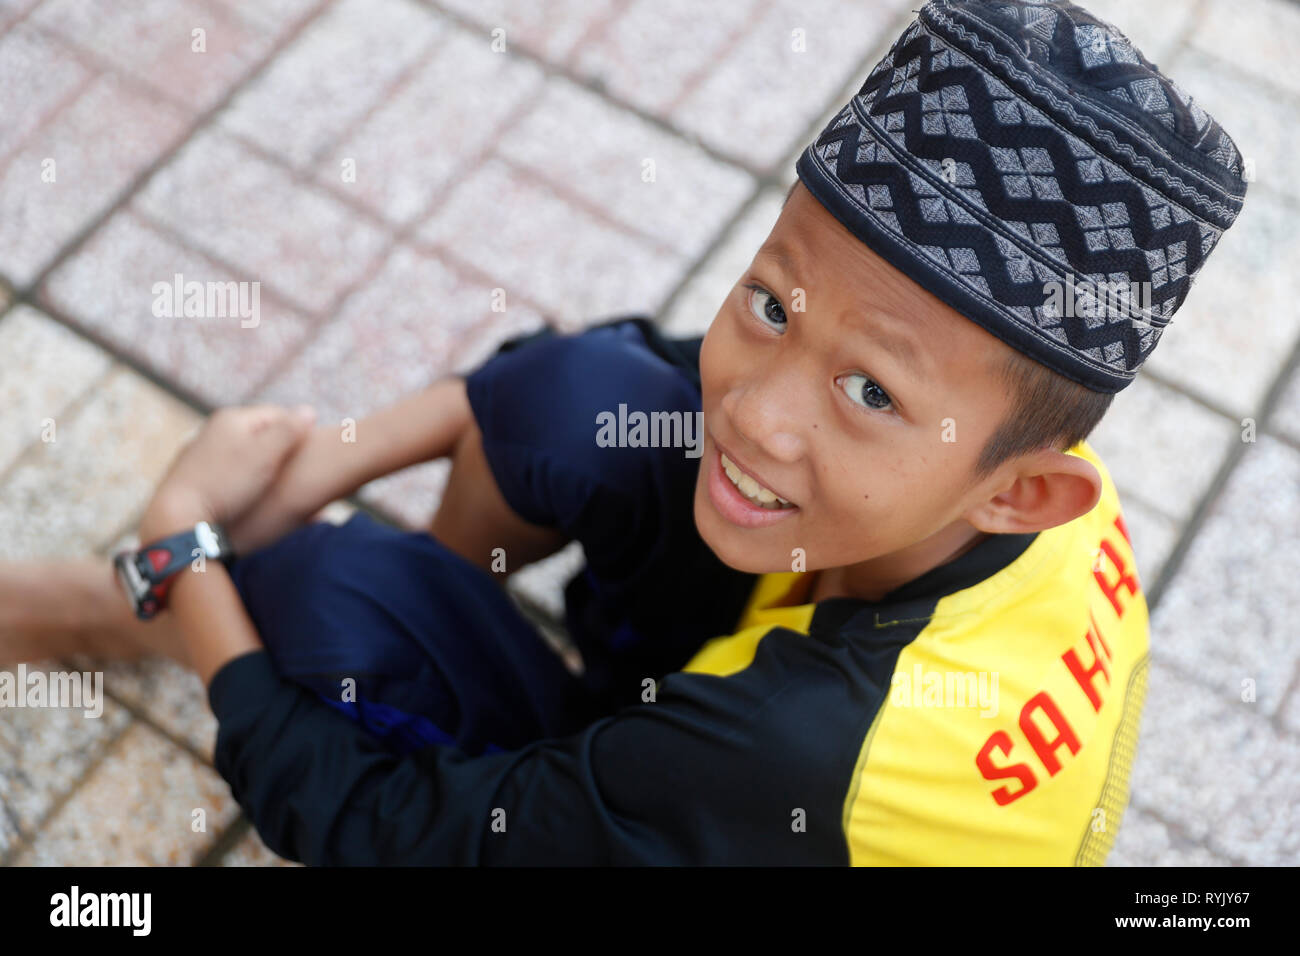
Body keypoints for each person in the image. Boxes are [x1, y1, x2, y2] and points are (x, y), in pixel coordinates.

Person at [1, 0, 1248, 864]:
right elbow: (612, 374)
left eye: (869, 392)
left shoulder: (791, 752)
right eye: (769, 302)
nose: (755, 408)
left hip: (742, 812)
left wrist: (179, 550)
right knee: (588, 402)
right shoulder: (1017, 483)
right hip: (740, 734)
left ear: (1021, 492)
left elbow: (402, 836)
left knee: (328, 599)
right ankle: (415, 615)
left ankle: (140, 610)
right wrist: (327, 455)